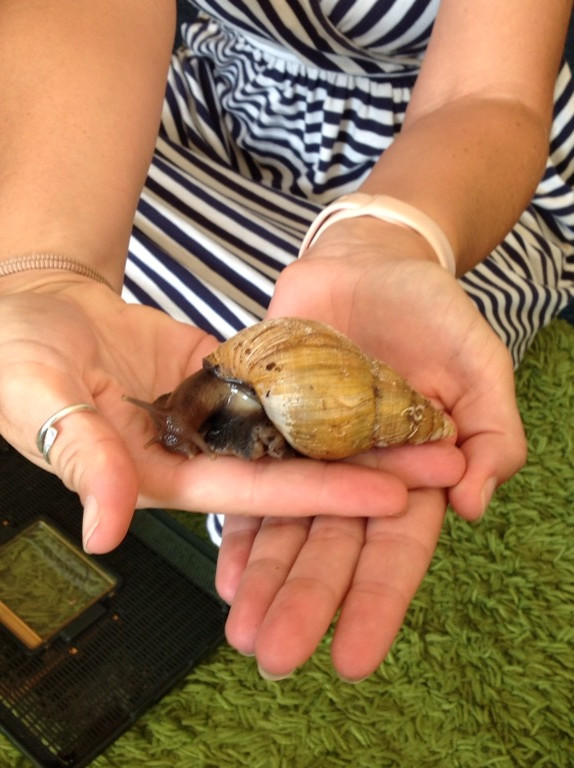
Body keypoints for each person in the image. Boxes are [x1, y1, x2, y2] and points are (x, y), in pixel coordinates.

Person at [0, 0, 572, 683]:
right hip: (219, 96)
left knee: (272, 341)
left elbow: (486, 92)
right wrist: (49, 270)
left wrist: (387, 236)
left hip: (456, 168)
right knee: (97, 291)